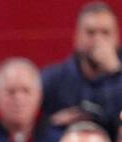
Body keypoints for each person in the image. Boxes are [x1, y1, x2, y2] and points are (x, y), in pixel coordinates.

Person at [41, 3, 122, 133]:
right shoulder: (54, 79)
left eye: (105, 33)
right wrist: (50, 123)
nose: (98, 40)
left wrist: (116, 73)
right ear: (77, 37)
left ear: (117, 38)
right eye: (90, 33)